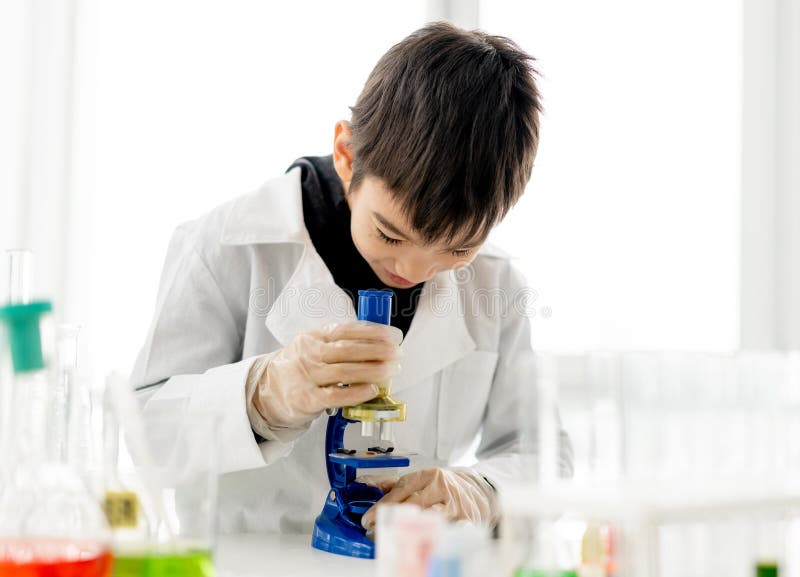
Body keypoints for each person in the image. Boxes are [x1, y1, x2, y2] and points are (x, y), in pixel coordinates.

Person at [131, 21, 572, 534]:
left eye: (457, 249)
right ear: (346, 154)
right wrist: (264, 395)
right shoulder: (226, 246)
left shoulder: (497, 284)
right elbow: (143, 434)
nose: (412, 272)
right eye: (389, 234)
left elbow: (543, 455)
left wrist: (481, 491)